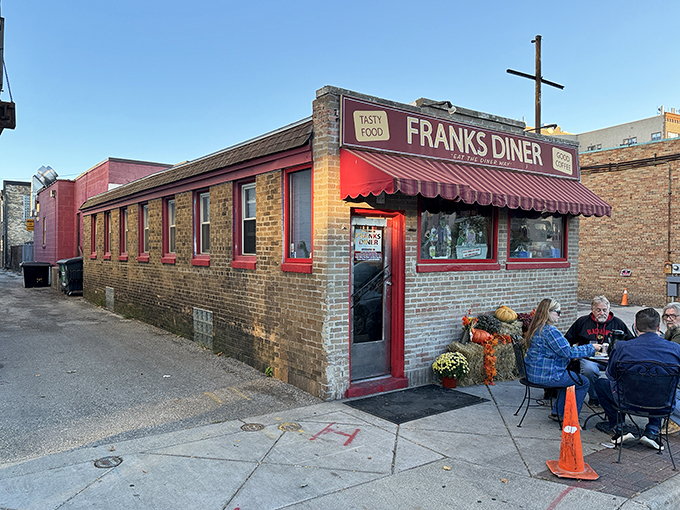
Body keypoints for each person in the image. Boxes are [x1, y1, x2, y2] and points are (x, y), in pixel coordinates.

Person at [594, 308, 680, 449]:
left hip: (627, 401)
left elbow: (611, 375)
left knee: (600, 384)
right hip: (661, 405)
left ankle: (620, 427)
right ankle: (652, 430)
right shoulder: (675, 349)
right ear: (658, 327)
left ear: (635, 325)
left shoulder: (622, 347)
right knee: (659, 387)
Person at [524, 298, 602, 421]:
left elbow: (556, 351)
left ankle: (558, 412)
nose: (560, 316)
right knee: (583, 382)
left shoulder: (537, 328)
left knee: (571, 377)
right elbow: (568, 351)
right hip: (546, 376)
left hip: (533, 373)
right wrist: (591, 348)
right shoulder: (550, 331)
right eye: (558, 312)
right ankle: (570, 418)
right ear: (548, 312)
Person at [565, 296, 635, 407]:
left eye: (604, 310)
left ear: (609, 309)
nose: (602, 313)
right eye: (598, 310)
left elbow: (631, 342)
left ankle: (615, 400)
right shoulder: (582, 322)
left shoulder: (618, 323)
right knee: (589, 369)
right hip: (588, 358)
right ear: (592, 310)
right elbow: (567, 340)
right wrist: (572, 355)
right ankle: (594, 397)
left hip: (611, 359)